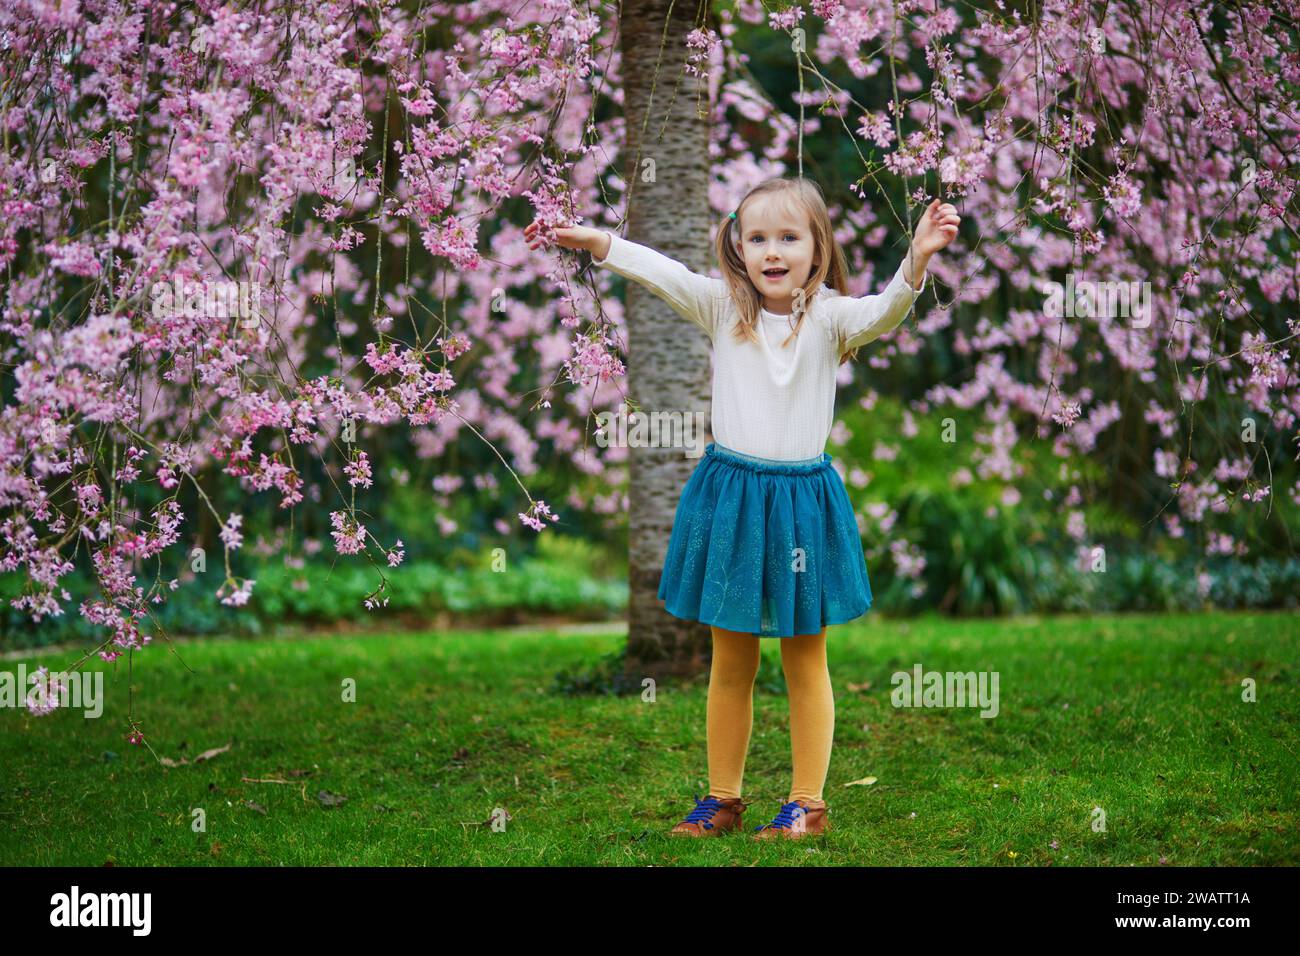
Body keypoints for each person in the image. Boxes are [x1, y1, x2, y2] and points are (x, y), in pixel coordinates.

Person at [524, 175, 960, 840]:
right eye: (757, 238)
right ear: (738, 247)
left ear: (817, 248)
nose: (772, 251)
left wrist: (917, 258)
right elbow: (662, 272)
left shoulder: (833, 318)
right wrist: (599, 243)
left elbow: (886, 311)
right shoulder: (724, 309)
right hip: (730, 500)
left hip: (800, 508)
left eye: (789, 237)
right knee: (731, 661)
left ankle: (806, 806)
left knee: (803, 658)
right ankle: (721, 801)